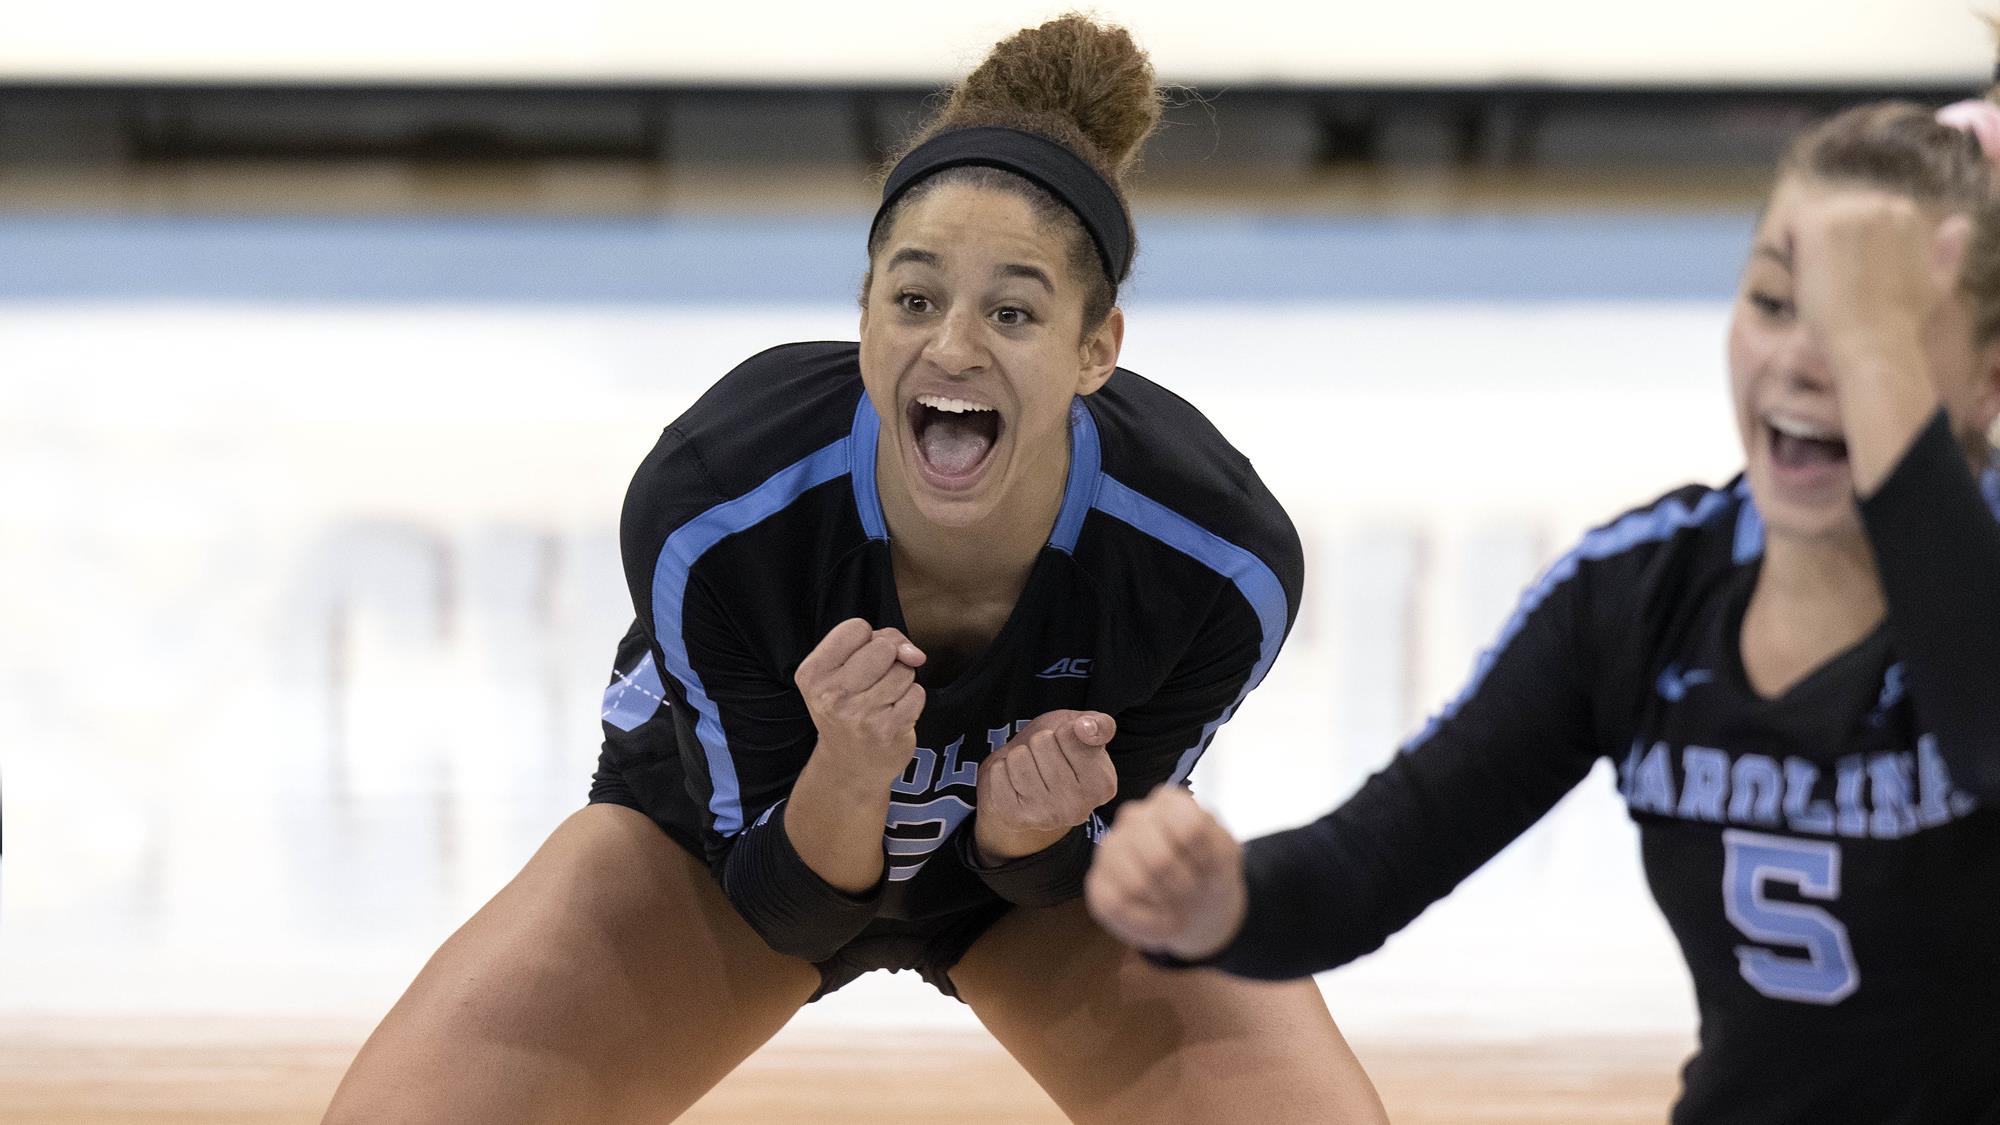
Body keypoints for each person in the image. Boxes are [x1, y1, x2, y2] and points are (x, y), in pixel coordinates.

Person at [322, 14, 1386, 1125]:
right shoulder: (716, 503)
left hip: (1035, 894)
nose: (954, 348)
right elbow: (773, 903)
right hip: (715, 860)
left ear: (1096, 349)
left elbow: (1086, 878)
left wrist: (1029, 835)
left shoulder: (1217, 560)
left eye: (1012, 311)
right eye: (914, 299)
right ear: (864, 315)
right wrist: (847, 769)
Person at [1087, 79, 2000, 1125]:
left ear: (1986, 377)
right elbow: (1368, 865)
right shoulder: (1646, 589)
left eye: (1860, 321)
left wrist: (1877, 359)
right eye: (1771, 300)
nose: (1803, 357)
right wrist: (1220, 903)